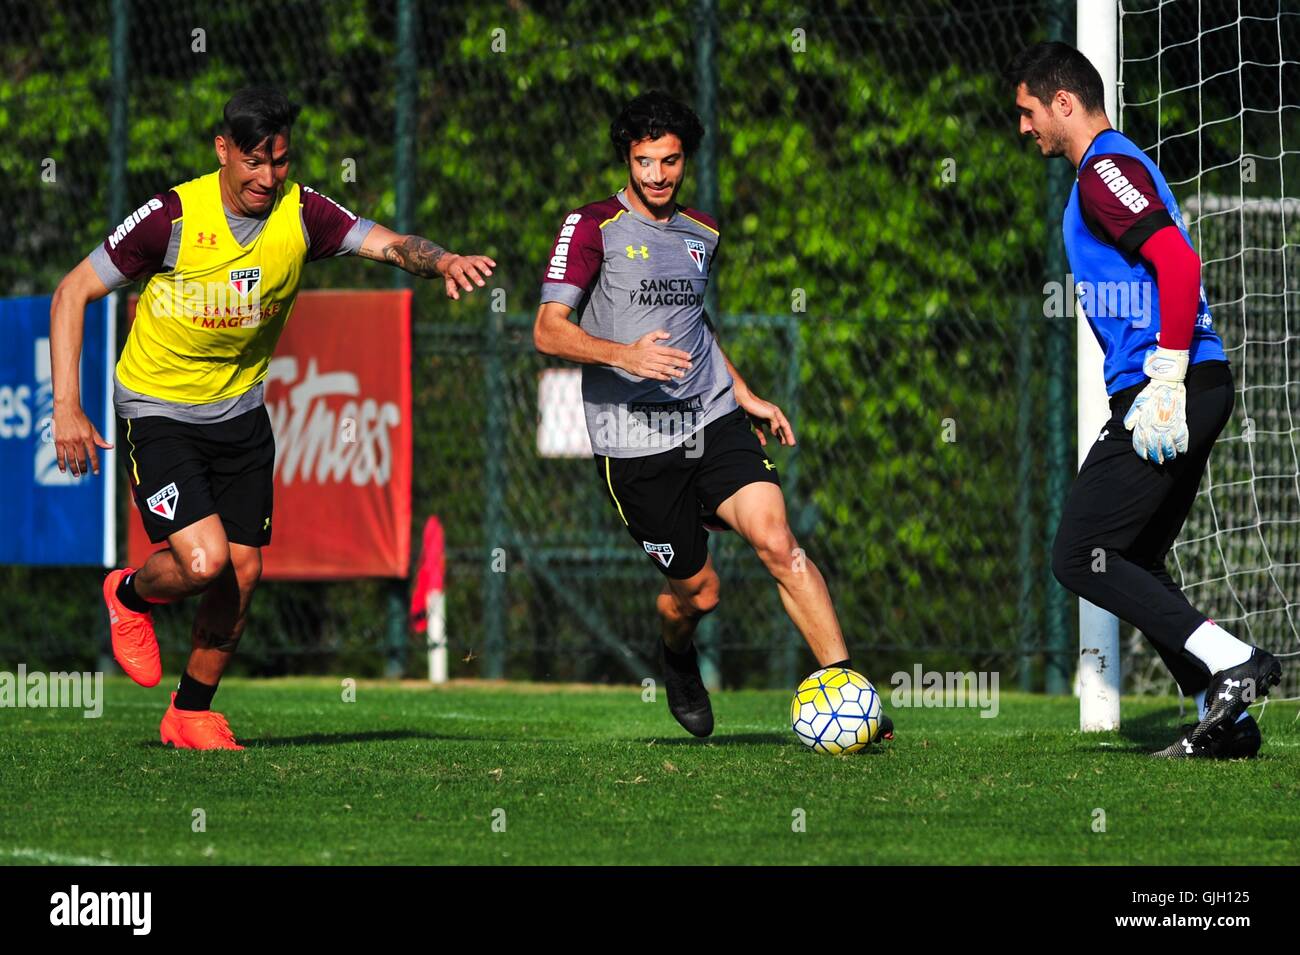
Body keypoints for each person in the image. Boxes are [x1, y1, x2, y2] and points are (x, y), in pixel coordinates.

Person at [50, 87, 495, 749]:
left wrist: (447, 261)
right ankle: (129, 595)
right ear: (223, 150)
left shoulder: (303, 212)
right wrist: (66, 405)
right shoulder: (170, 218)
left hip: (241, 415)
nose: (266, 176)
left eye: (279, 161)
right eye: (253, 160)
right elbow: (73, 290)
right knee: (203, 563)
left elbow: (395, 245)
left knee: (245, 570)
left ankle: (191, 712)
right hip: (160, 409)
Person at [533, 91, 890, 741]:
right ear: (627, 159)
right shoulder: (590, 227)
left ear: (685, 159)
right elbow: (549, 331)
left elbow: (693, 324)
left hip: (712, 416)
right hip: (635, 444)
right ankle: (676, 655)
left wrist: (743, 390)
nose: (658, 175)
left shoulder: (702, 232)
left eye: (670, 161)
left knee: (779, 542)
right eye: (645, 161)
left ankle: (851, 693)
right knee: (700, 593)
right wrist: (625, 356)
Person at [1006, 42, 1282, 757]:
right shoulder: (1116, 165)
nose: (1024, 127)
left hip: (1173, 388)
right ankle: (1228, 719)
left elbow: (1179, 261)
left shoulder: (1103, 169)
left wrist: (1164, 379)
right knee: (1134, 556)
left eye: (1028, 111)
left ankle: (1233, 662)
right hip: (1193, 384)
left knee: (1078, 553)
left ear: (1062, 102)